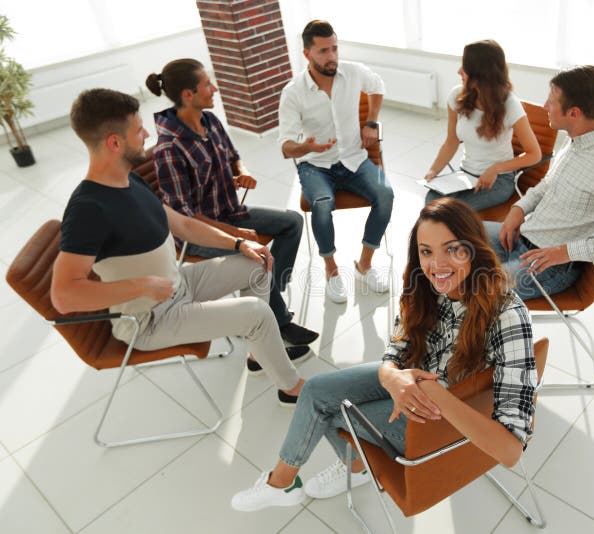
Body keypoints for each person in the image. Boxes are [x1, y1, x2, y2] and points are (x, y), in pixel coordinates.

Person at [230, 197, 537, 511]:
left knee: (330, 415)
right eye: (426, 251)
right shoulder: (424, 283)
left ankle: (347, 470)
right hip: (409, 381)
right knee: (314, 391)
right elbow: (397, 346)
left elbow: (511, 450)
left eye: (452, 249)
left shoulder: (507, 315)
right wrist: (391, 375)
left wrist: (430, 391)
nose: (437, 265)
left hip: (438, 419)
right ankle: (285, 483)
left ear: (473, 248)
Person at [51, 88, 305, 406]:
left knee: (258, 263)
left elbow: (183, 224)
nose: (147, 134)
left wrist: (239, 243)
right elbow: (63, 295)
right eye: (138, 130)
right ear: (114, 143)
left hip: (178, 284)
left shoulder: (130, 180)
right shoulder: (88, 208)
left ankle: (259, 353)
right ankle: (292, 387)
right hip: (150, 319)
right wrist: (141, 285)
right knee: (255, 312)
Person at [146, 59, 319, 376]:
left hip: (227, 210)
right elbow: (186, 218)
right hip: (198, 233)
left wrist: (243, 173)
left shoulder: (209, 120)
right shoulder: (168, 149)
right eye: (207, 85)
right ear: (188, 94)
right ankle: (277, 320)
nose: (215, 89)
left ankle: (271, 296)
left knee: (291, 222)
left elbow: (234, 158)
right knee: (257, 256)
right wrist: (237, 234)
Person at [485, 65, 594, 300]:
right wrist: (519, 208)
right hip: (524, 236)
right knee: (446, 236)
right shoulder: (576, 138)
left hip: (551, 264)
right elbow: (548, 183)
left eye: (551, 102)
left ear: (574, 113)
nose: (545, 106)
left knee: (475, 293)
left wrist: (566, 252)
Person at [278, 20, 394, 304]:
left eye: (334, 49)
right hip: (315, 164)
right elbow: (286, 147)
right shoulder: (293, 92)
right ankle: (332, 272)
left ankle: (364, 265)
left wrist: (371, 122)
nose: (332, 56)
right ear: (307, 54)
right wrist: (304, 146)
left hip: (354, 158)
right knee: (320, 204)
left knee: (386, 194)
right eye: (323, 51)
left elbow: (378, 85)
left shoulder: (352, 72)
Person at [423, 40, 542, 211]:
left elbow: (534, 154)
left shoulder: (510, 105)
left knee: (451, 212)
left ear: (481, 74)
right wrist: (433, 171)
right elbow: (451, 141)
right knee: (431, 204)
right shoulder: (456, 96)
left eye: (464, 67)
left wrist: (496, 168)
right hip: (466, 174)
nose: (459, 71)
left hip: (498, 180)